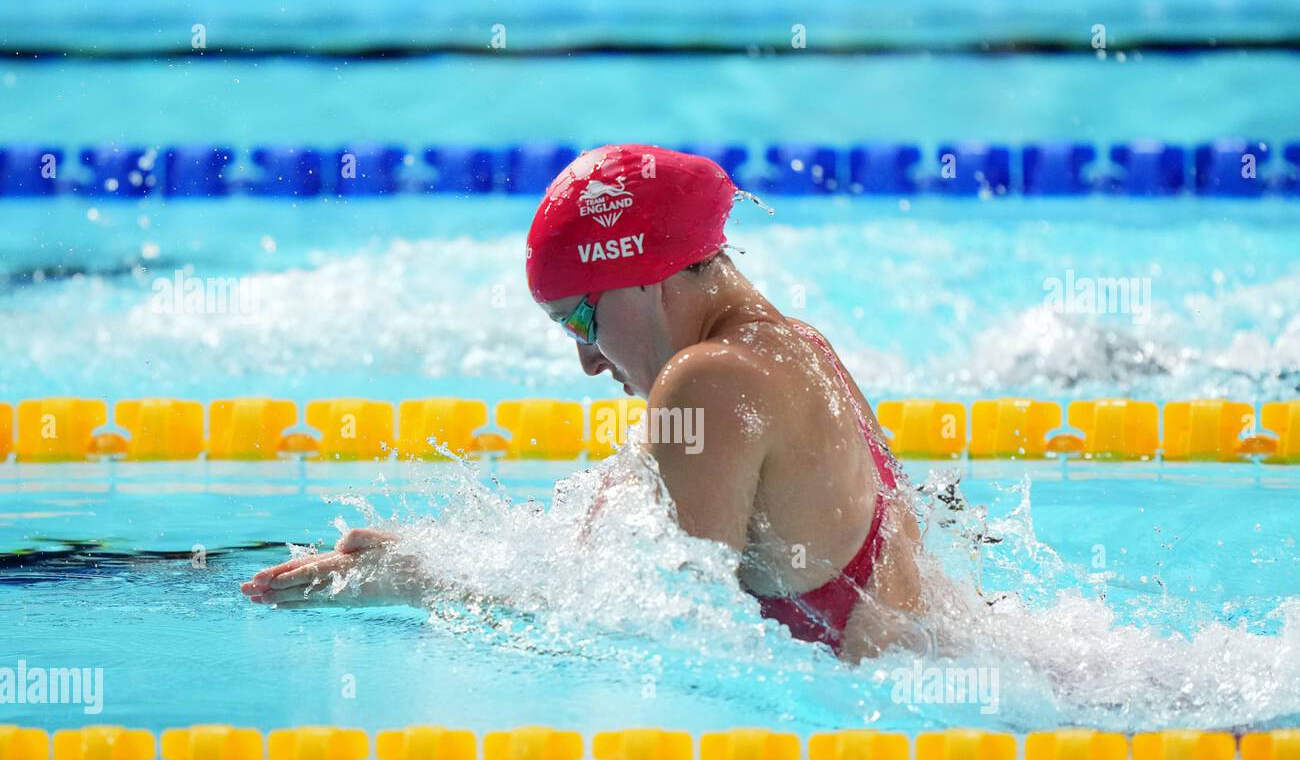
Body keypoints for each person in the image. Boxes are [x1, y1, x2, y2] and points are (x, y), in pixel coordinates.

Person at [241, 144, 926, 661]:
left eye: (582, 321)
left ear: (641, 279)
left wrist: (423, 583)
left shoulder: (710, 379)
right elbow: (622, 568)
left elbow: (677, 629)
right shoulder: (800, 348)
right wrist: (459, 555)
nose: (588, 360)